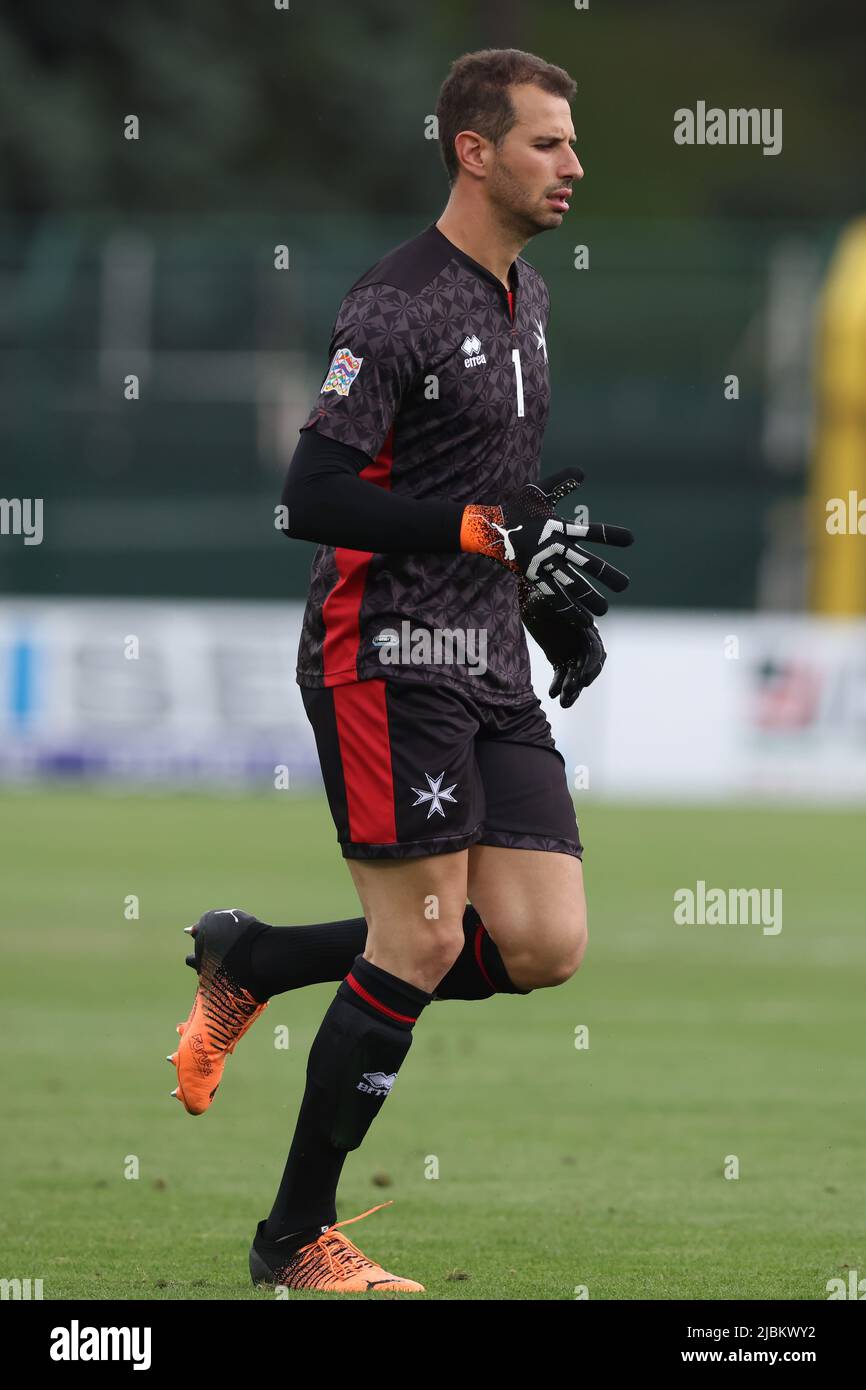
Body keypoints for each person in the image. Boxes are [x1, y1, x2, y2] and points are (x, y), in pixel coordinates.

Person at [167, 46, 632, 1295]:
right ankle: (291, 1241)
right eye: (546, 142)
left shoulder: (524, 299)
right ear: (473, 150)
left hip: (485, 659)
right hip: (384, 659)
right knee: (420, 942)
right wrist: (475, 533)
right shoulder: (396, 304)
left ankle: (251, 960)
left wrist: (548, 614)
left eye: (570, 141)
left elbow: (510, 504)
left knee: (540, 944)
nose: (572, 164)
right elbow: (313, 492)